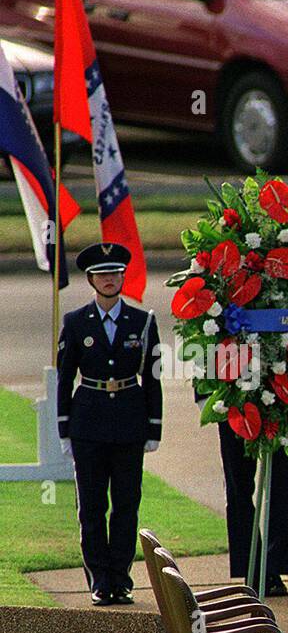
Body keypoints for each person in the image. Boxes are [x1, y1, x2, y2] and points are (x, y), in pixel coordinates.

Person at [57, 243, 163, 605]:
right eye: (102, 274)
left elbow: (153, 378)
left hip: (129, 423)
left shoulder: (142, 322)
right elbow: (65, 378)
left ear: (123, 277)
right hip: (88, 423)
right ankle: (99, 580)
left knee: (126, 505)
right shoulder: (75, 322)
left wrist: (153, 426)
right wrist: (64, 428)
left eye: (115, 273)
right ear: (90, 279)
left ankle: (121, 578)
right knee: (91, 507)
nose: (109, 280)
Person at [199, 385, 288, 597]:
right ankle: (252, 567)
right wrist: (204, 396)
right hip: (232, 396)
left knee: (282, 482)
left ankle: (274, 566)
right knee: (238, 486)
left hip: (282, 394)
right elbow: (205, 363)